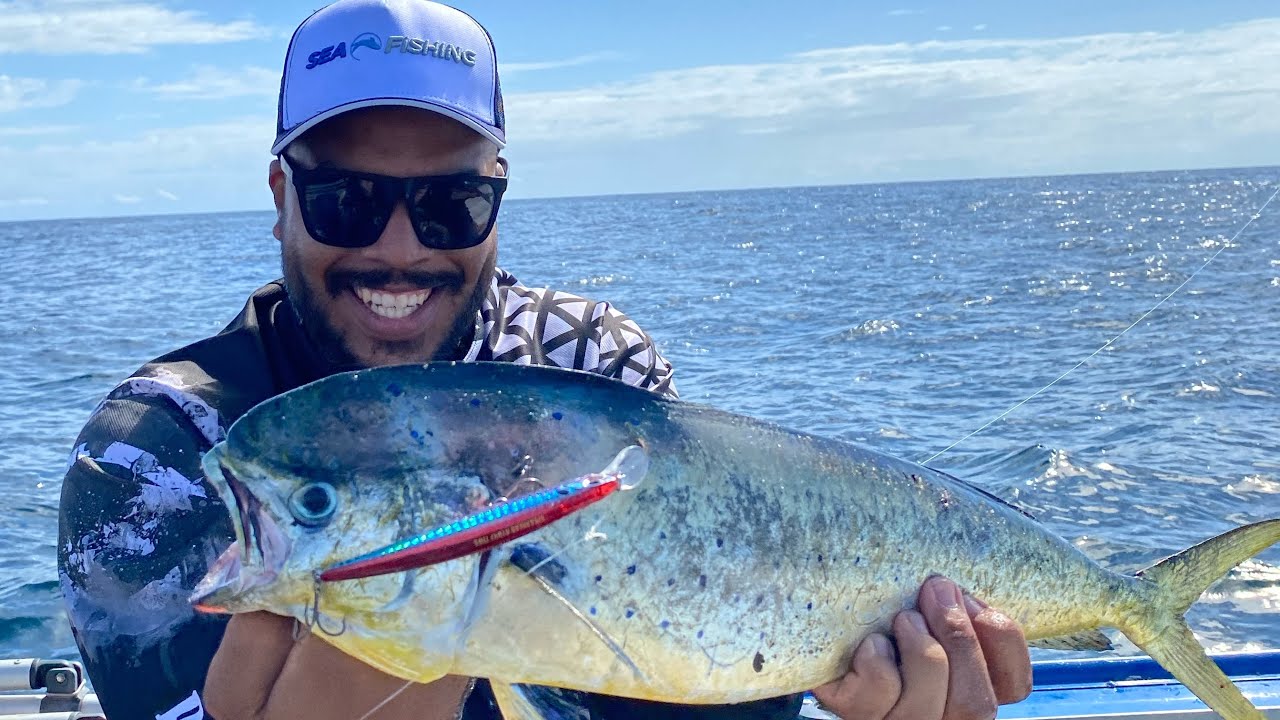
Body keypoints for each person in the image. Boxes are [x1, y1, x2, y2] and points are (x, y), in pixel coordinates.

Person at [56, 1, 1033, 718]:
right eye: (344, 201)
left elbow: (683, 672)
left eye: (449, 205)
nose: (399, 250)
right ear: (280, 197)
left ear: (496, 198)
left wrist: (850, 688)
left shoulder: (595, 364)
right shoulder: (157, 447)